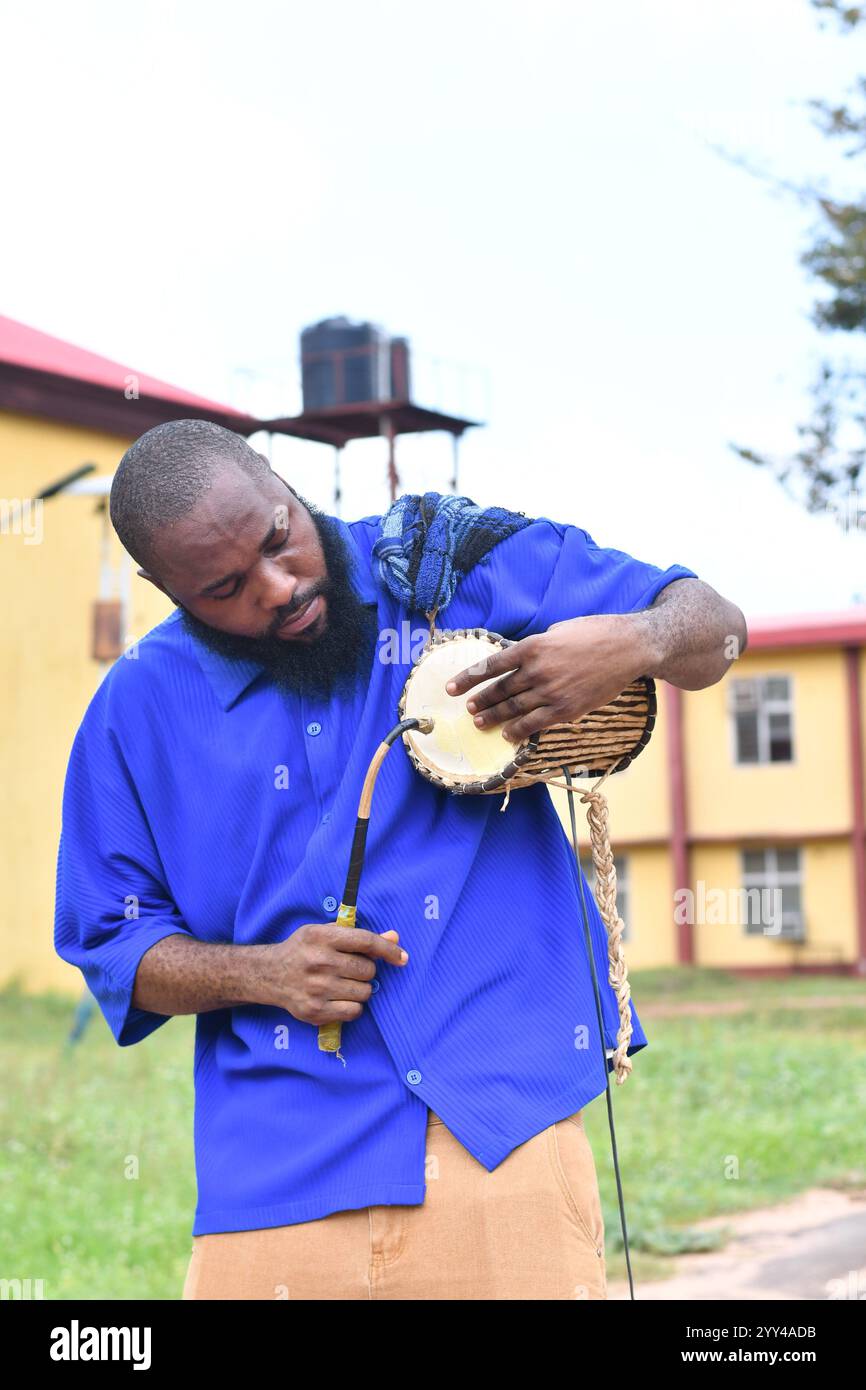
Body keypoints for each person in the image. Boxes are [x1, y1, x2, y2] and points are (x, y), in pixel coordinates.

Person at [54, 419, 746, 1301]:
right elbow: (112, 946)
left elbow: (715, 629)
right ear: (166, 589)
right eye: (226, 587)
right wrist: (259, 974)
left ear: (279, 479)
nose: (281, 588)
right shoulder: (135, 709)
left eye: (279, 537)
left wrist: (630, 642)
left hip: (503, 1134)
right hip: (274, 1177)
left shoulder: (447, 568)